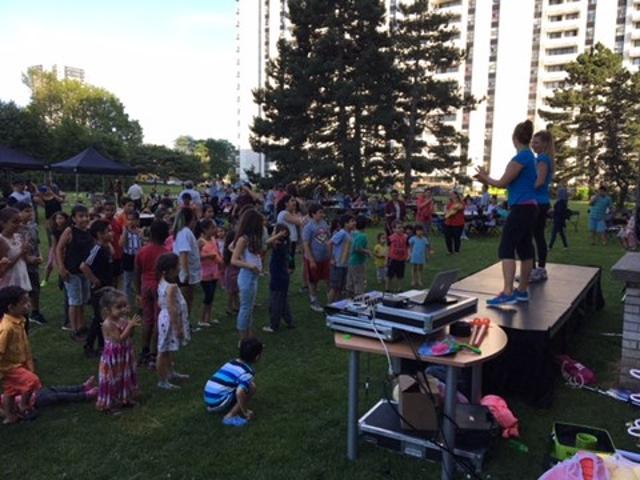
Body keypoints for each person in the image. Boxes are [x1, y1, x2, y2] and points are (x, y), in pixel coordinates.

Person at [475, 119, 538, 306]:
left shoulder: (521, 158)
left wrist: (485, 177)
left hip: (521, 208)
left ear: (514, 138)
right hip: (530, 207)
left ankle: (508, 292)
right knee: (525, 248)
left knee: (506, 247)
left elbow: (502, 183)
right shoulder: (531, 157)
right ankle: (522, 291)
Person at [0, 286, 41, 423]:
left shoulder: (19, 320)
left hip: (18, 361)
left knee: (10, 390)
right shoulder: (7, 328)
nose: (28, 305)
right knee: (32, 381)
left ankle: (9, 415)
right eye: (24, 302)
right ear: (11, 307)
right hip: (9, 367)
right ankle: (24, 405)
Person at [95, 288, 140, 412]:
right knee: (113, 378)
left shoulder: (123, 319)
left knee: (125, 375)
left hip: (124, 353)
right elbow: (119, 339)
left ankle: (125, 397)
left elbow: (130, 335)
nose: (123, 309)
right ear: (108, 310)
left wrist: (132, 326)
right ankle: (110, 404)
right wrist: (130, 325)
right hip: (113, 356)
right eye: (119, 307)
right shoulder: (108, 324)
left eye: (125, 305)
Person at [203, 337, 263, 427]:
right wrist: (245, 411)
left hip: (208, 399)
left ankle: (215, 407)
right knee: (252, 388)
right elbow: (239, 392)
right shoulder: (247, 372)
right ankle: (229, 416)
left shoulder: (232, 362)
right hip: (217, 402)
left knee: (248, 385)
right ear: (257, 357)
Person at [135, 220, 169, 368]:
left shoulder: (143, 251)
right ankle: (154, 354)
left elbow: (137, 271)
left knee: (147, 319)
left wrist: (138, 290)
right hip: (160, 287)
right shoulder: (166, 253)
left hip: (145, 286)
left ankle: (144, 351)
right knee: (159, 320)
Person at [57, 205, 94, 339]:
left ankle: (81, 324)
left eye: (86, 216)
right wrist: (61, 268)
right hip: (71, 271)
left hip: (84, 271)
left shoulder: (88, 231)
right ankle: (74, 329)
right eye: (81, 216)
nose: (84, 219)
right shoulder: (70, 231)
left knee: (83, 300)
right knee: (74, 301)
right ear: (73, 218)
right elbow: (59, 248)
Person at [156, 253, 191, 390]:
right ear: (171, 270)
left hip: (164, 318)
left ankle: (170, 372)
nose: (180, 267)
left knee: (168, 348)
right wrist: (178, 327)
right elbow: (172, 307)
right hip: (169, 321)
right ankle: (162, 380)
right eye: (178, 266)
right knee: (163, 350)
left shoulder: (163, 282)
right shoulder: (172, 287)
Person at [80, 220, 114, 357]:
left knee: (103, 318)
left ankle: (102, 345)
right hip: (99, 290)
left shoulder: (106, 247)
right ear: (99, 234)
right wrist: (94, 280)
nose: (111, 233)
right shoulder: (96, 249)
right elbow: (83, 266)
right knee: (98, 318)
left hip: (107, 287)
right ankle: (89, 345)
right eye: (108, 231)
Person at [231, 209, 264, 340]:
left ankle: (249, 336)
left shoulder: (252, 239)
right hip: (247, 276)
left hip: (253, 277)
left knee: (249, 308)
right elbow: (234, 260)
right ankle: (243, 339)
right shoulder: (243, 239)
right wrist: (250, 266)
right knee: (245, 308)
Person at [530, 129, 555, 282]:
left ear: (545, 144)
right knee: (538, 236)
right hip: (542, 202)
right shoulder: (544, 158)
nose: (533, 145)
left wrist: (525, 190)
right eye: (532, 142)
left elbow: (539, 182)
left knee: (531, 237)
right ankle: (540, 269)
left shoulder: (542, 159)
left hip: (537, 203)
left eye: (536, 142)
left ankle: (534, 270)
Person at [16, 203, 45, 325]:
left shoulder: (33, 227)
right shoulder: (17, 230)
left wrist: (40, 256)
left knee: (35, 288)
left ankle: (35, 312)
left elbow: (37, 244)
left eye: (31, 211)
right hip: (22, 265)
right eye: (26, 211)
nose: (30, 213)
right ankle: (22, 313)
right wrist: (28, 259)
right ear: (19, 213)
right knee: (24, 291)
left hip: (34, 264)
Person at [263, 224, 294, 333]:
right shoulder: (285, 242)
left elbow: (266, 242)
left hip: (278, 277)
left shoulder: (278, 243)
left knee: (275, 302)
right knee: (283, 301)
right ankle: (289, 321)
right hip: (282, 276)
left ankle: (274, 325)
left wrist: (278, 234)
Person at [172, 207, 201, 319]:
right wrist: (185, 273)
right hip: (185, 274)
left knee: (188, 300)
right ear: (191, 219)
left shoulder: (184, 232)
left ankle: (186, 323)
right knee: (185, 301)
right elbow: (183, 254)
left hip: (187, 272)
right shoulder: (185, 232)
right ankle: (183, 324)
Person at [302, 203, 331, 312]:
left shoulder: (324, 224)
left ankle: (331, 298)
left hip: (325, 257)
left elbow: (328, 238)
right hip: (314, 258)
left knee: (328, 278)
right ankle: (313, 300)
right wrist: (311, 260)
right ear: (313, 214)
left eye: (322, 212)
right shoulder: (308, 227)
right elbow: (306, 244)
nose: (322, 214)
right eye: (320, 212)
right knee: (313, 280)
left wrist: (330, 254)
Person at [199, 219, 223, 328]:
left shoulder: (213, 239)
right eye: (212, 228)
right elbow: (196, 256)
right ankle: (202, 318)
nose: (215, 230)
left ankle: (209, 317)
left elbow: (217, 252)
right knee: (208, 295)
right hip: (204, 273)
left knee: (211, 295)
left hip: (214, 271)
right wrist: (207, 256)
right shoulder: (200, 242)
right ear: (205, 229)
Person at [328, 214, 355, 302]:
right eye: (352, 221)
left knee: (340, 287)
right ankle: (329, 304)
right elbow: (329, 243)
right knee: (335, 287)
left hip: (345, 264)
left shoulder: (349, 233)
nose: (354, 223)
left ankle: (337, 304)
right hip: (338, 264)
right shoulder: (342, 233)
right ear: (345, 224)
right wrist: (332, 258)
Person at [276, 195, 304, 272]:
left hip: (291, 241)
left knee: (290, 263)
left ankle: (286, 276)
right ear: (286, 203)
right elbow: (300, 222)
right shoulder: (284, 213)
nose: (295, 202)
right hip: (286, 242)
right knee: (287, 264)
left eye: (295, 201)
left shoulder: (290, 213)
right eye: (292, 200)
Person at [346, 216, 370, 297]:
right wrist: (367, 251)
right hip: (358, 262)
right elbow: (357, 248)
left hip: (351, 261)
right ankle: (358, 299)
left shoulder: (354, 234)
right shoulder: (363, 236)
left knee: (351, 281)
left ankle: (350, 298)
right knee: (359, 281)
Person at [102, 201, 124, 288]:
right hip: (108, 254)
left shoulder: (116, 222)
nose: (110, 212)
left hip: (118, 253)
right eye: (107, 210)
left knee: (117, 277)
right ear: (104, 211)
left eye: (112, 210)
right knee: (109, 278)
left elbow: (121, 233)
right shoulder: (102, 223)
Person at [386, 221, 409, 292]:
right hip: (393, 259)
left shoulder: (406, 237)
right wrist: (387, 258)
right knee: (390, 275)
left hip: (402, 259)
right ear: (394, 229)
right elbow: (388, 248)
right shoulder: (391, 238)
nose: (401, 229)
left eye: (402, 227)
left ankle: (400, 288)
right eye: (398, 228)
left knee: (400, 275)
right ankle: (387, 288)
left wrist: (408, 255)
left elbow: (407, 247)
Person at [223, 229, 240, 316]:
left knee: (235, 290)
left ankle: (236, 305)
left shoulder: (230, 249)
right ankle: (229, 307)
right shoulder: (230, 250)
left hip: (234, 270)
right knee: (231, 291)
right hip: (232, 270)